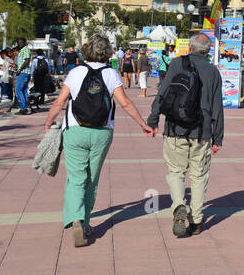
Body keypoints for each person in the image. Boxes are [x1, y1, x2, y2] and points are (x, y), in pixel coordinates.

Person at [43, 34, 155, 248]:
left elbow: (60, 102)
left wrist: (49, 121)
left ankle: (76, 219)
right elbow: (125, 103)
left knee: (76, 177)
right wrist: (143, 123)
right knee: (92, 178)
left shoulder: (76, 72)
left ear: (87, 50)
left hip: (75, 131)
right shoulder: (111, 73)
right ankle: (85, 221)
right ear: (108, 53)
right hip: (102, 132)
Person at [147, 34, 224, 238]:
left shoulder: (176, 64)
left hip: (175, 128)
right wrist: (218, 138)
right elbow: (217, 107)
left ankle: (179, 206)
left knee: (175, 172)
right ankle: (196, 220)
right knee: (199, 176)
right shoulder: (214, 72)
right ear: (208, 51)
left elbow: (162, 94)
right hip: (202, 132)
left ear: (190, 47)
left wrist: (153, 120)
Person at [13, 38, 33, 114]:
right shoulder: (22, 50)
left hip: (23, 73)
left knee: (18, 90)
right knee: (23, 90)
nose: (19, 44)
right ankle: (24, 108)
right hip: (23, 72)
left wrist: (20, 70)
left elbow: (27, 60)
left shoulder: (26, 49)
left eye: (21, 43)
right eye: (18, 43)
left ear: (25, 43)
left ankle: (23, 108)